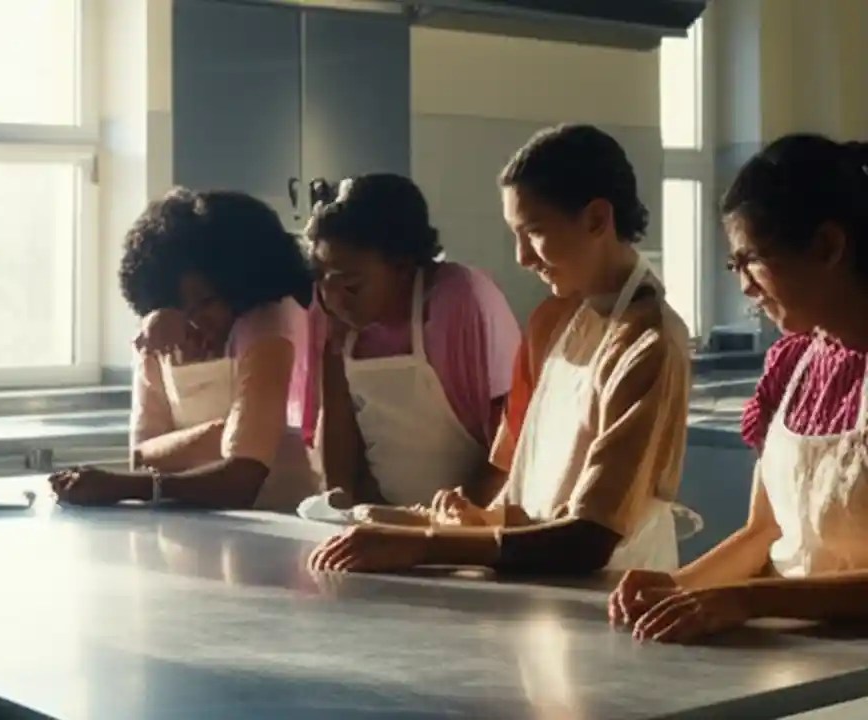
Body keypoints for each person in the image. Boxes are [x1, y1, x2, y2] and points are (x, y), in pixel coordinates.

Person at [309, 124, 690, 575]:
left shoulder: (651, 343)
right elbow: (516, 488)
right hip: (535, 585)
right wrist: (453, 520)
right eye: (516, 235)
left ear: (596, 220)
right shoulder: (552, 322)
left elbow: (589, 538)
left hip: (612, 591)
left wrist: (424, 545)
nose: (522, 257)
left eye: (534, 232)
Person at [611, 134, 868, 644]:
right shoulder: (795, 366)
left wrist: (750, 600)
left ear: (827, 247)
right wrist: (676, 587)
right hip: (801, 655)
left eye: (750, 259)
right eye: (735, 266)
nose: (744, 285)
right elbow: (762, 532)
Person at [50, 188, 317, 510]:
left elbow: (241, 480)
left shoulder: (268, 325)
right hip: (187, 518)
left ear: (240, 288)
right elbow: (140, 455)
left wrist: (127, 483)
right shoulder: (161, 334)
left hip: (281, 517)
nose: (197, 320)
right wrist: (217, 434)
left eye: (208, 302)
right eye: (181, 308)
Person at [302, 173, 520, 510]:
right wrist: (343, 508)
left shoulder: (459, 300)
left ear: (403, 266)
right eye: (321, 278)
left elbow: (510, 442)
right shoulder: (333, 314)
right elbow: (337, 425)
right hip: (386, 516)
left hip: (474, 515)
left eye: (352, 286)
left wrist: (455, 520)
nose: (332, 298)